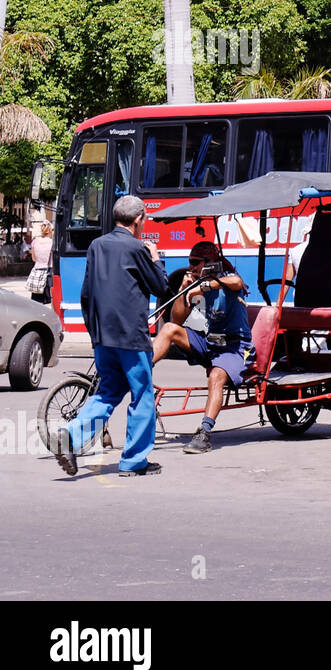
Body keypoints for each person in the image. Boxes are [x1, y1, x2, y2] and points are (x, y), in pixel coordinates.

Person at [53, 195, 168, 477]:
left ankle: (71, 437)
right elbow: (161, 286)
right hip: (131, 336)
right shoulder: (137, 248)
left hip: (103, 335)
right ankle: (133, 461)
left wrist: (94, 332)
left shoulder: (97, 245)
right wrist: (156, 259)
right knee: (142, 394)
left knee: (108, 392)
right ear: (139, 219)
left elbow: (86, 292)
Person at [151, 241, 253, 453]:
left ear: (211, 263)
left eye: (196, 263)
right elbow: (177, 319)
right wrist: (183, 290)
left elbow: (236, 281)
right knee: (169, 328)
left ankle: (205, 433)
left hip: (236, 347)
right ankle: (141, 367)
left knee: (216, 376)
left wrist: (204, 285)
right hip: (211, 342)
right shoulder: (196, 284)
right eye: (190, 263)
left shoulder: (226, 279)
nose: (191, 267)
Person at [26, 222, 54, 304]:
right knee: (49, 303)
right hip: (48, 274)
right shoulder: (52, 243)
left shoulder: (35, 241)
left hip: (36, 275)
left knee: (36, 303)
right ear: (50, 231)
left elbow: (34, 259)